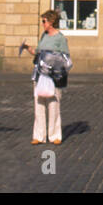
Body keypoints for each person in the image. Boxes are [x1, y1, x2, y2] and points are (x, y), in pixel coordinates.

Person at [23, 9, 70, 145]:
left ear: (51, 22)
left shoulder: (60, 38)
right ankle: (39, 136)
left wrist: (53, 65)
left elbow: (65, 57)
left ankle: (55, 135)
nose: (42, 24)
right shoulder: (44, 36)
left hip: (53, 75)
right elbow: (38, 52)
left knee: (53, 104)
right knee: (39, 104)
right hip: (39, 74)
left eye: (44, 21)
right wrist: (28, 48)